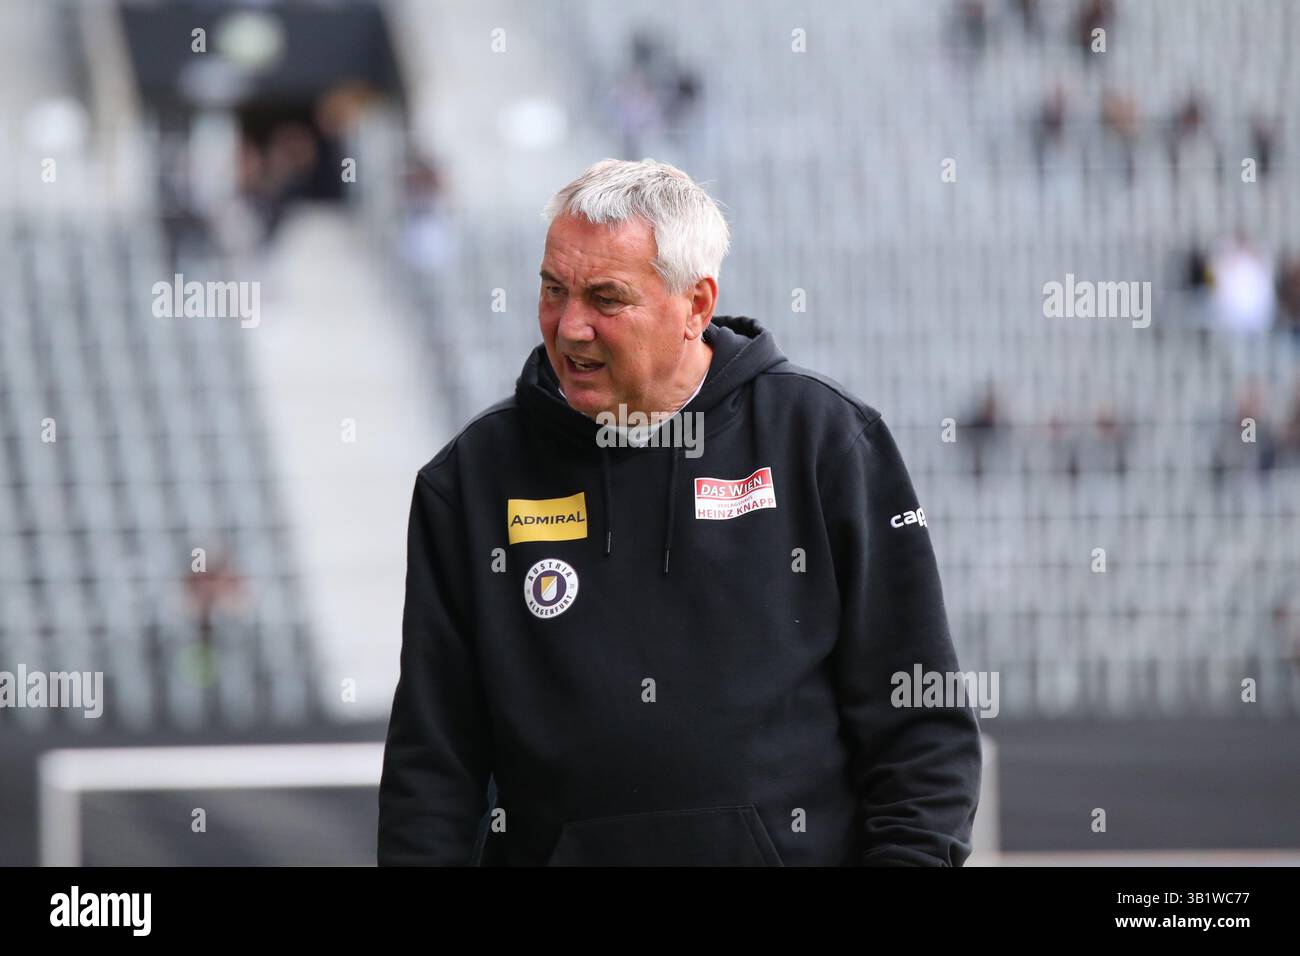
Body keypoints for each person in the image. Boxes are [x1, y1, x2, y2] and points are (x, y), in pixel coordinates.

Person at [377, 158, 982, 866]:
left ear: (696, 305)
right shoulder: (471, 482)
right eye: (553, 290)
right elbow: (432, 772)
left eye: (606, 298)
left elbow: (920, 730)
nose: (571, 327)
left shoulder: (823, 444)